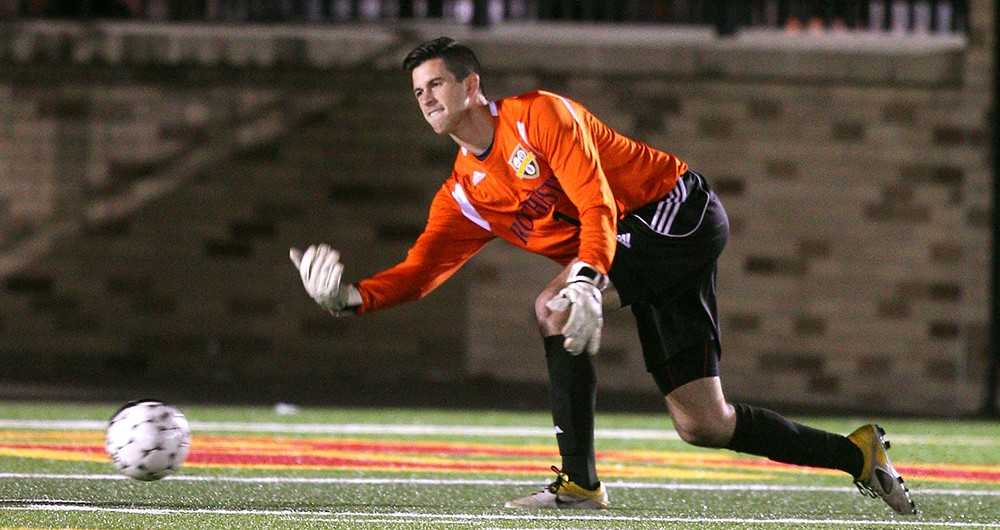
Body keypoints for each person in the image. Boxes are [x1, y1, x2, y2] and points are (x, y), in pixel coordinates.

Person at [290, 36, 917, 515]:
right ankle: (858, 454)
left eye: (435, 84)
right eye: (417, 93)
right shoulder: (463, 194)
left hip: (676, 211)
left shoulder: (539, 116)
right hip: (633, 251)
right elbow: (421, 271)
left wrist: (587, 277)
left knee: (554, 306)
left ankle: (580, 483)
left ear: (471, 85)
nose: (426, 99)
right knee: (703, 423)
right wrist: (351, 299)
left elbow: (597, 204)